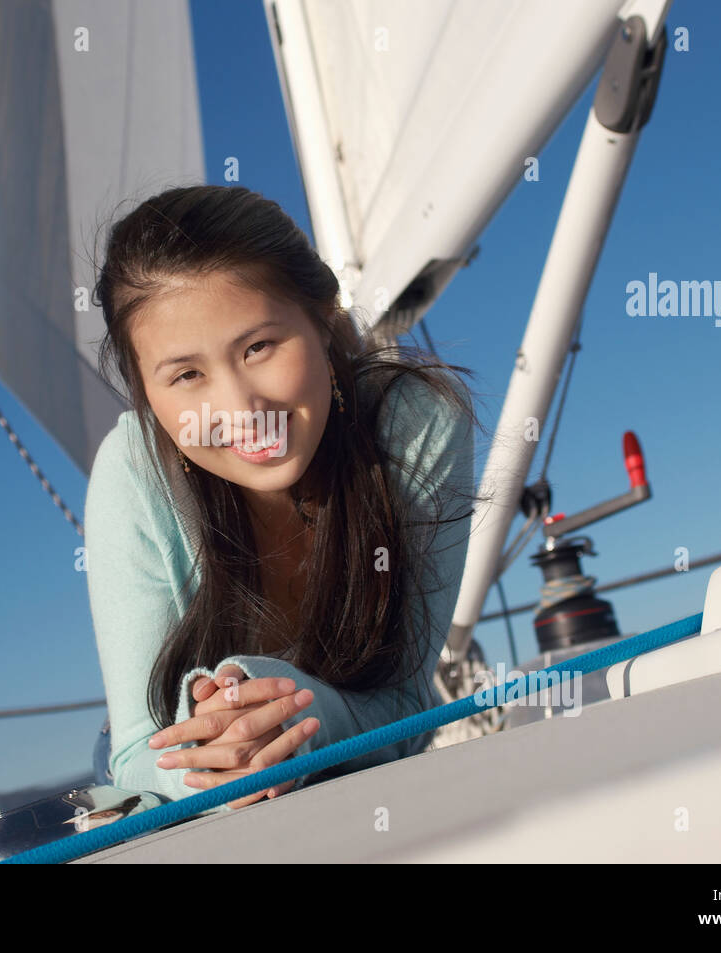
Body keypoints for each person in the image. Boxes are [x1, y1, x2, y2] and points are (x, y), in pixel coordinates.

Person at [84, 184, 486, 814]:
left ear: (323, 318)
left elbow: (406, 709)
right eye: (188, 375)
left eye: (259, 347)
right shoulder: (133, 472)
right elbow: (138, 751)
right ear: (145, 393)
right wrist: (226, 747)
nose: (242, 411)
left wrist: (284, 711)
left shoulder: (413, 425)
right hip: (177, 783)